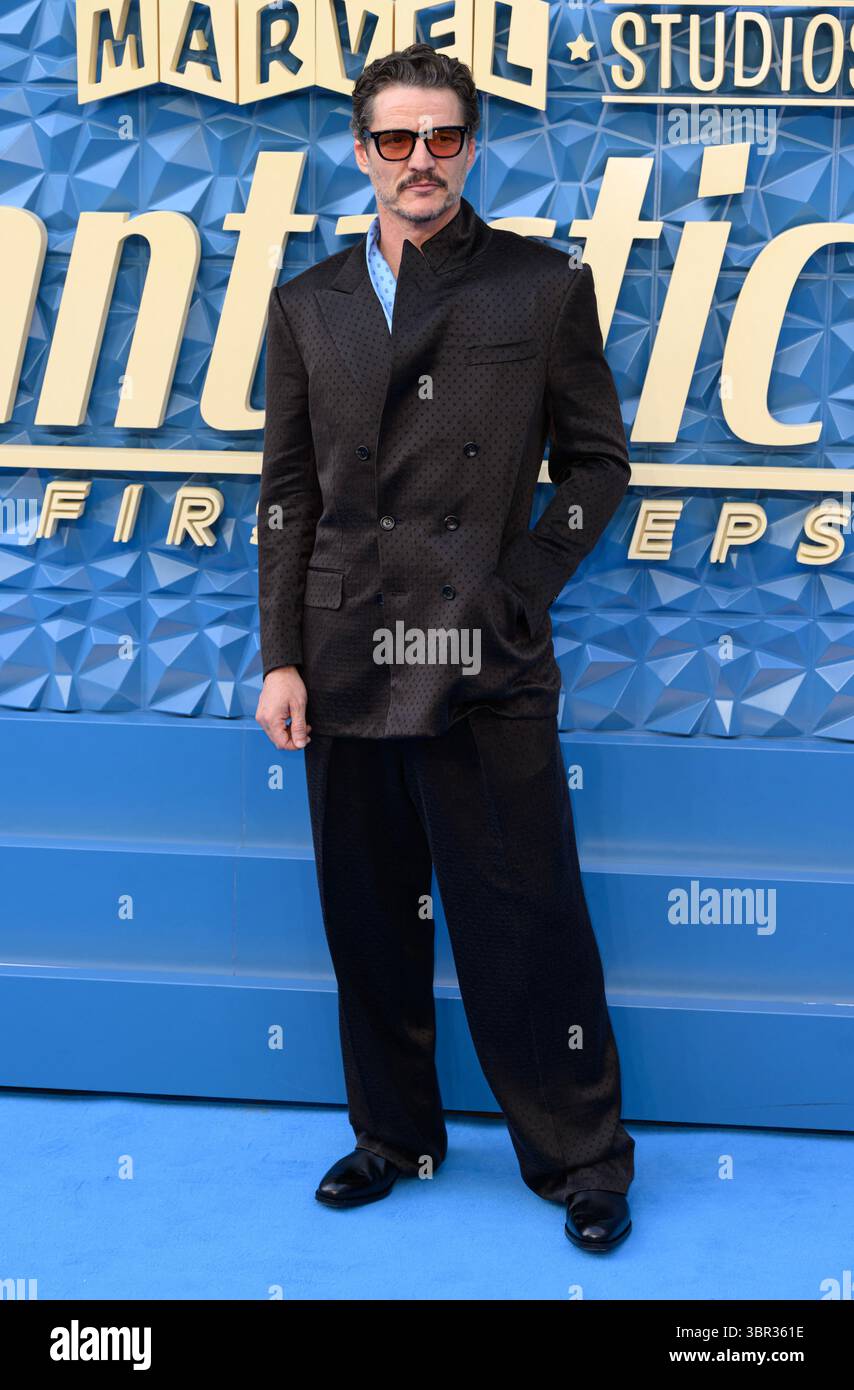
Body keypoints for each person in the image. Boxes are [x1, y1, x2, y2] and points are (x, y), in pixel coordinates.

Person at [256, 42, 635, 1252]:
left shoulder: (538, 284)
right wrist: (279, 654)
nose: (419, 161)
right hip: (342, 654)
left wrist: (518, 589)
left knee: (526, 920)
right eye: (394, 139)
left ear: (471, 143)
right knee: (365, 916)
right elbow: (284, 496)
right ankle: (392, 1136)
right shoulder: (307, 299)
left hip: (483, 659)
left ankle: (581, 1159)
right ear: (359, 149)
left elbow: (595, 467)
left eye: (443, 137)